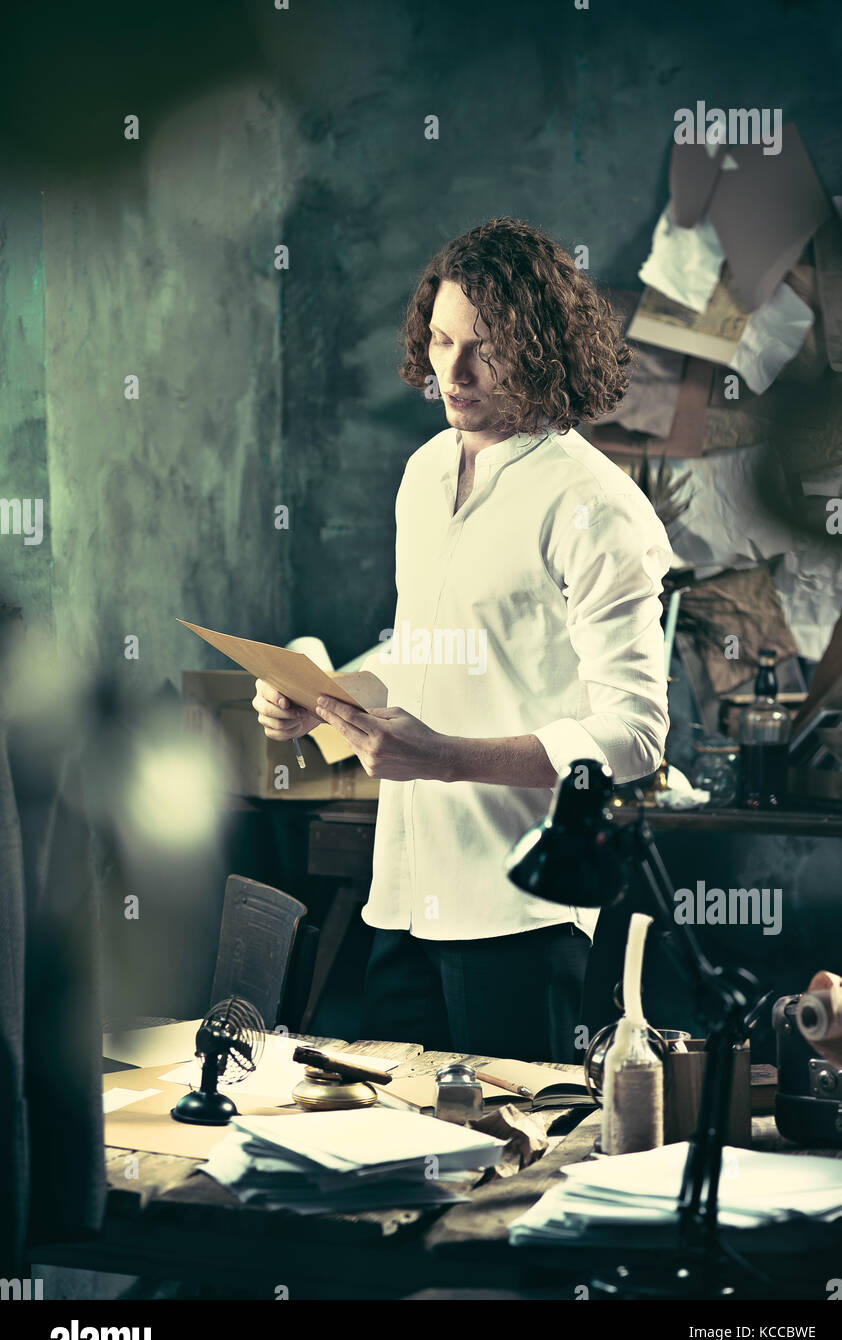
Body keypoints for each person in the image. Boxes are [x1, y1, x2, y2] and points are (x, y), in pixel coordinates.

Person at [253, 217, 672, 1063]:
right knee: (397, 1160)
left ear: (545, 349)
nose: (454, 370)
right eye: (441, 340)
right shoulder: (425, 471)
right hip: (405, 894)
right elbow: (429, 650)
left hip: (520, 910)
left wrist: (443, 755)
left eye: (486, 346)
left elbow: (634, 740)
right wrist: (321, 692)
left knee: (517, 1171)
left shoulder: (595, 506)